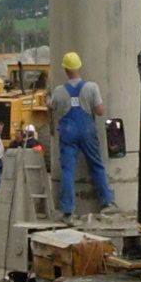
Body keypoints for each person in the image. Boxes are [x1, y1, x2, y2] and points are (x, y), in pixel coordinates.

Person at [49, 52, 115, 217]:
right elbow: (100, 111)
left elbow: (52, 107)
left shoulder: (59, 91)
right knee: (96, 166)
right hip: (87, 131)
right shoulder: (91, 87)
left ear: (65, 70)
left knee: (67, 171)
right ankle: (107, 201)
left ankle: (67, 211)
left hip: (68, 132)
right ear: (79, 67)